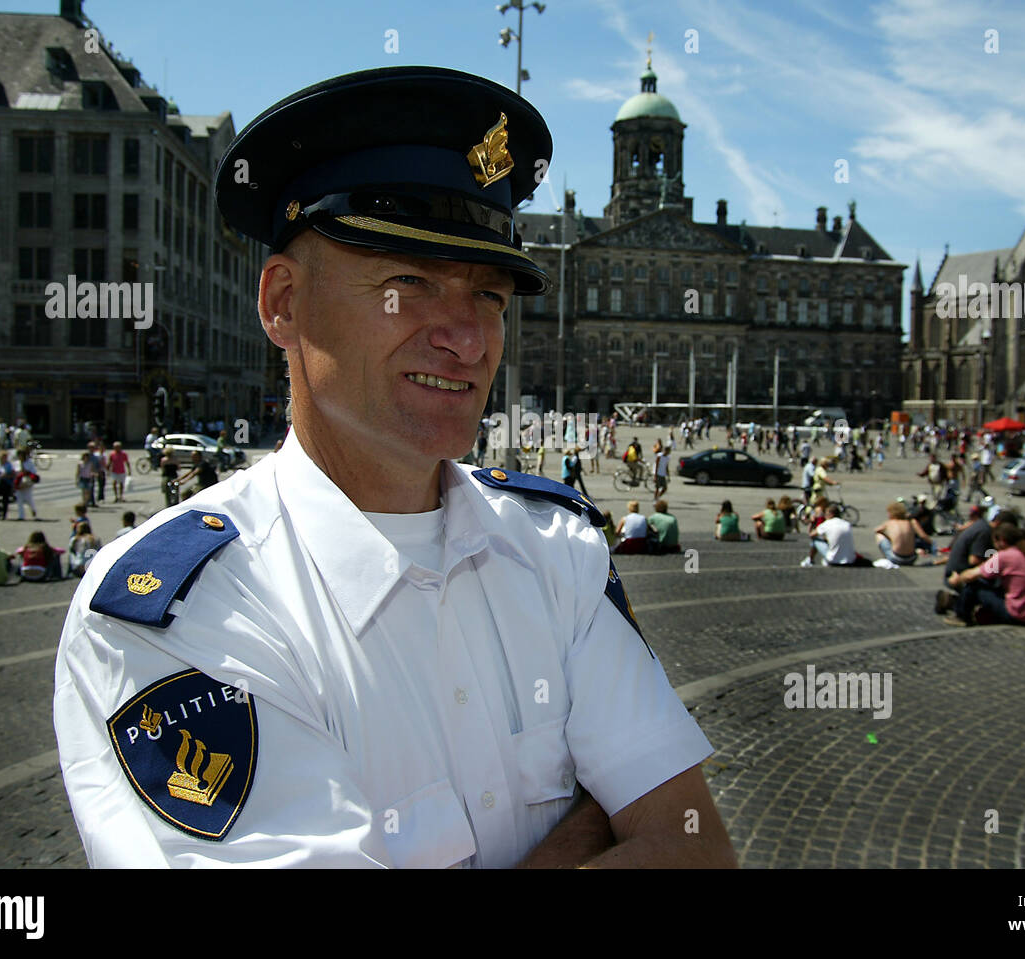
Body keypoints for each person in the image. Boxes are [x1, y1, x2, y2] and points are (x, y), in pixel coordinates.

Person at [53, 67, 729, 869]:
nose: (467, 339)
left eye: (488, 295)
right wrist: (597, 822)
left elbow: (695, 848)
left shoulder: (559, 548)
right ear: (282, 303)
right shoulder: (180, 618)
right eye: (408, 282)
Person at [945, 523, 1025, 627]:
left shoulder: (1003, 556)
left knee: (974, 586)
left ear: (1001, 540)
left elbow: (971, 576)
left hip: (1020, 614)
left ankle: (961, 616)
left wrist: (958, 579)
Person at [873, 501, 930, 566]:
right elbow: (923, 536)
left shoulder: (889, 523)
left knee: (879, 535)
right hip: (912, 558)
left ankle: (887, 556)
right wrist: (933, 545)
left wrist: (889, 537)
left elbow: (876, 530)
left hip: (895, 559)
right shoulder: (911, 522)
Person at [13, 448, 40, 521]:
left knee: (28, 499)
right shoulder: (16, 463)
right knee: (19, 499)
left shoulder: (29, 463)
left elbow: (33, 473)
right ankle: (21, 516)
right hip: (19, 483)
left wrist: (26, 472)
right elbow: (14, 472)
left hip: (27, 483)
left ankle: (33, 511)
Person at [0, 449, 16, 520]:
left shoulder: (9, 465)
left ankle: (4, 515)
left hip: (5, 484)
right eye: (1, 457)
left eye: (4, 457)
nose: (3, 459)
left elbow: (13, 474)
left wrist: (6, 475)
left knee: (5, 500)